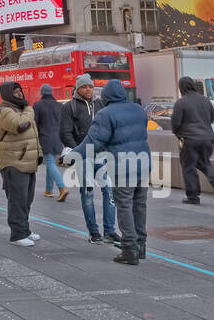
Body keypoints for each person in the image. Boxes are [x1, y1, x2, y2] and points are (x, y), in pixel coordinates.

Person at [82, 80, 150, 265]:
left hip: (123, 166)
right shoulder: (138, 109)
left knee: (125, 205)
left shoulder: (105, 114)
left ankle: (129, 249)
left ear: (106, 97)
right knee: (139, 205)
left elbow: (94, 142)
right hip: (143, 164)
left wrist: (73, 154)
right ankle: (141, 246)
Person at [61, 74, 118, 244]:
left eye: (91, 87)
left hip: (101, 155)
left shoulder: (100, 104)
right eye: (85, 87)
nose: (88, 90)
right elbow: (65, 132)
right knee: (87, 194)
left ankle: (109, 231)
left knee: (109, 191)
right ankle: (94, 232)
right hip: (83, 156)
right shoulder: (69, 107)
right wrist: (79, 151)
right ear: (77, 88)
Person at [0, 82, 41, 247]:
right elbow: (20, 126)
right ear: (7, 94)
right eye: (15, 92)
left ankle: (25, 230)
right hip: (13, 161)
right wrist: (29, 109)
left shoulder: (21, 110)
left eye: (20, 91)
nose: (19, 94)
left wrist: (39, 154)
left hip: (27, 161)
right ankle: (17, 234)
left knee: (27, 198)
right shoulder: (4, 111)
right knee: (17, 199)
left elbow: (33, 134)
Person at [172, 77, 214, 206]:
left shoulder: (181, 103)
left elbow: (175, 124)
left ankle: (193, 196)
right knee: (204, 162)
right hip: (208, 138)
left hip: (189, 139)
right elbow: (212, 118)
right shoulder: (205, 100)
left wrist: (179, 134)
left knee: (189, 167)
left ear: (181, 87)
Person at [35, 84, 68, 201]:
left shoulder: (38, 105)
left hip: (45, 138)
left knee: (49, 162)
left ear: (42, 92)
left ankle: (62, 188)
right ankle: (49, 190)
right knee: (51, 162)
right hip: (57, 139)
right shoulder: (59, 105)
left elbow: (35, 124)